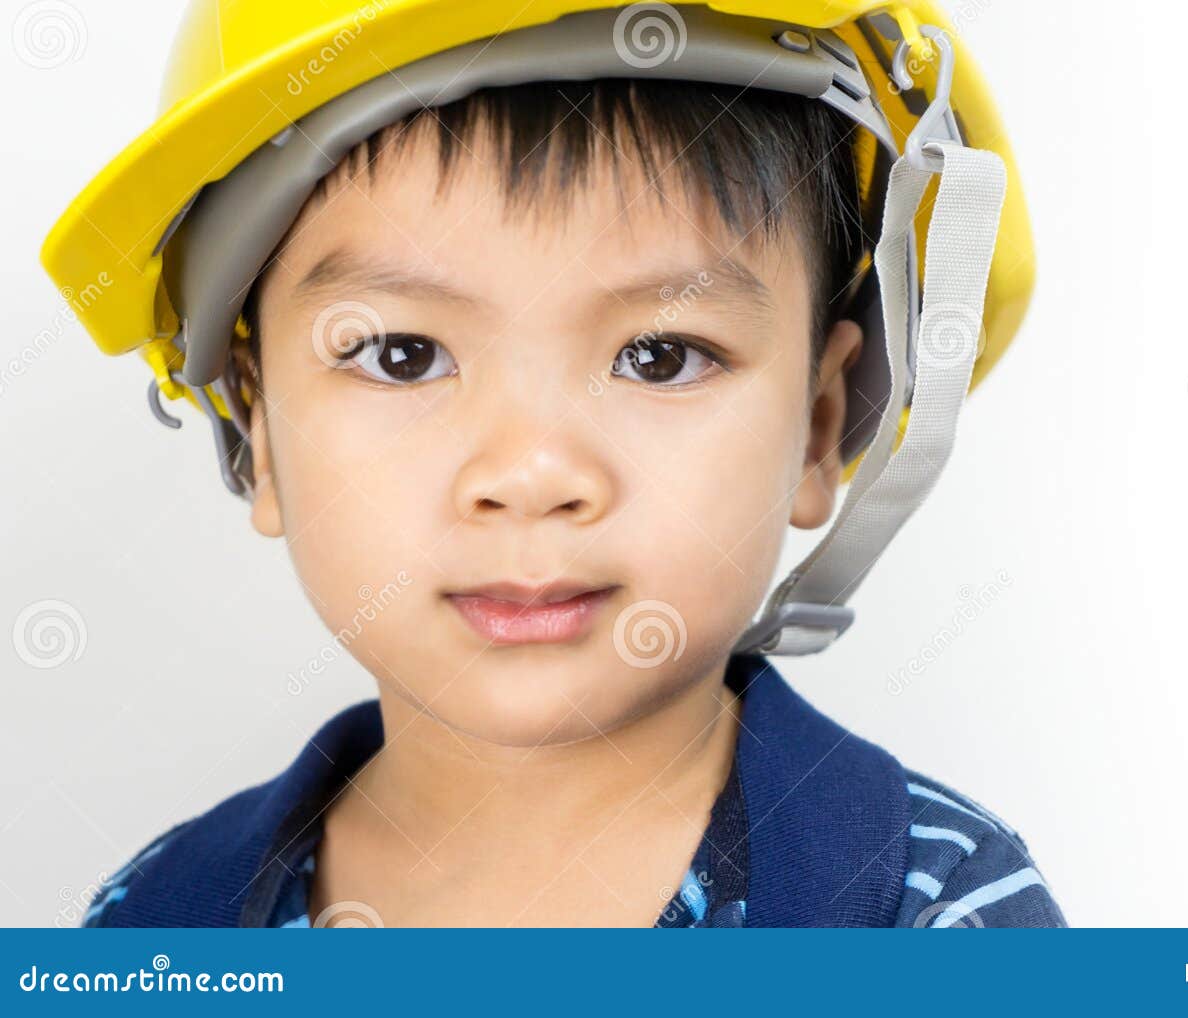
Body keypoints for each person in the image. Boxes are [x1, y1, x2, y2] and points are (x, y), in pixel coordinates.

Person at [42, 0, 1062, 928]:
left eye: (658, 357)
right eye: (402, 355)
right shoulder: (154, 922)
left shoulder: (933, 918)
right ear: (258, 432)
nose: (531, 472)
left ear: (817, 422)